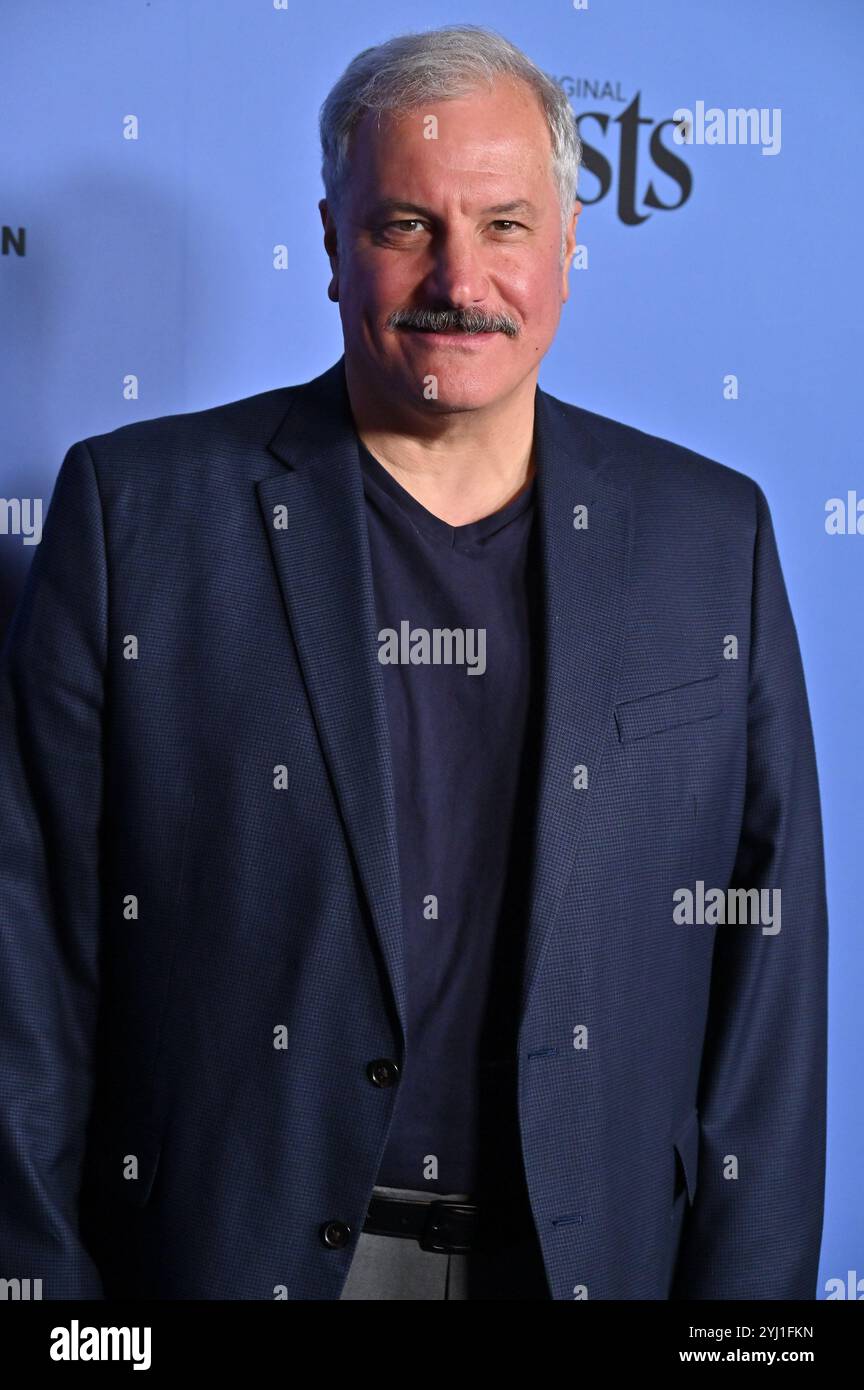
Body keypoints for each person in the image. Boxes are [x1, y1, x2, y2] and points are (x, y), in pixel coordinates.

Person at [0, 24, 827, 1300]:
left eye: (504, 223)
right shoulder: (137, 517)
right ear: (331, 243)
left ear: (567, 247)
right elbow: (30, 953)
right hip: (227, 1264)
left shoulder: (710, 538)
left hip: (595, 1264)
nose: (461, 276)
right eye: (405, 225)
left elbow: (767, 983)